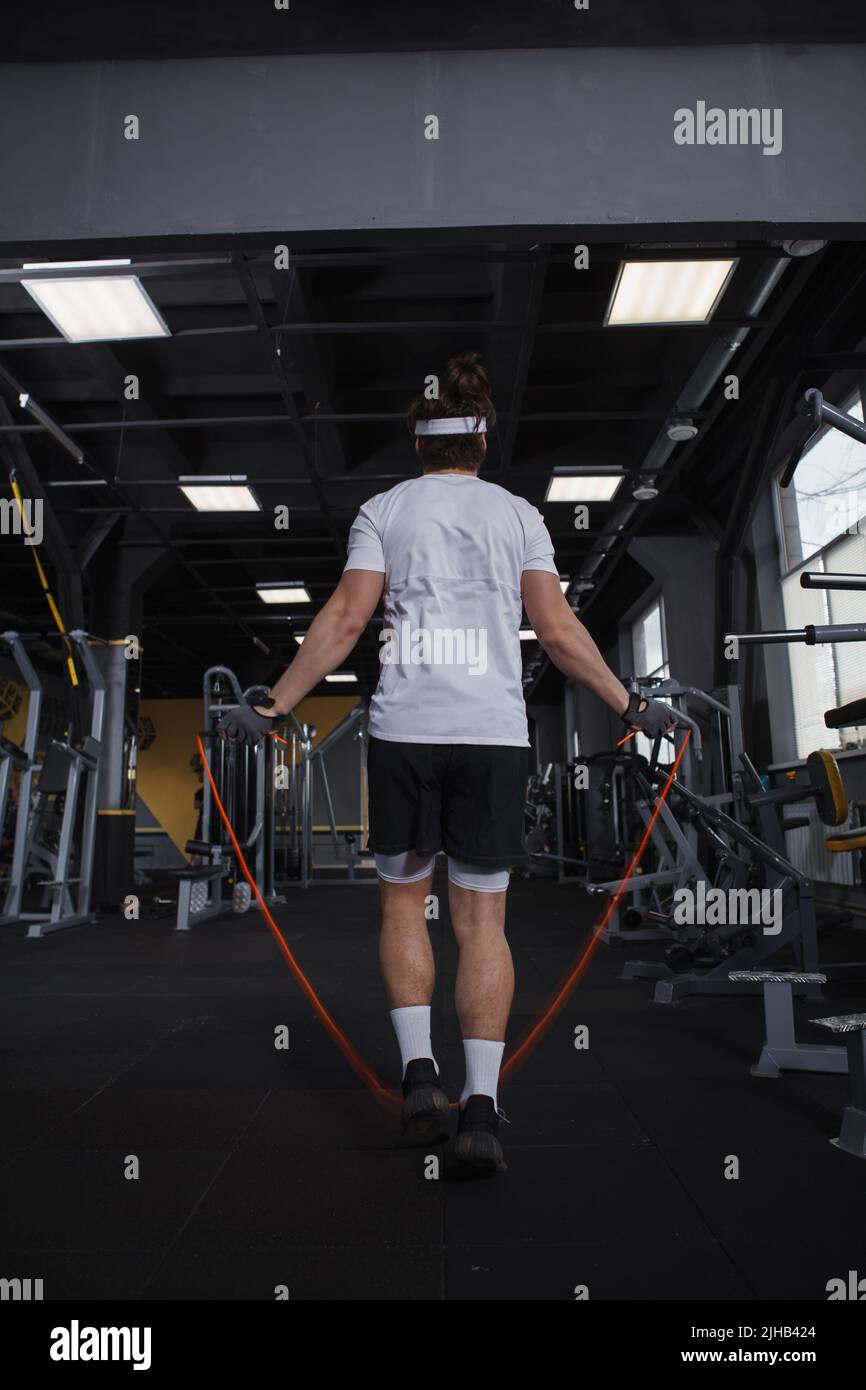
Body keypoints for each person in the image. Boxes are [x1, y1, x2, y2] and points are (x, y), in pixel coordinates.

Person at [218, 353, 675, 1177]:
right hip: (491, 737)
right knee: (482, 925)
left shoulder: (384, 509)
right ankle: (484, 1110)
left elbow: (347, 618)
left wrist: (274, 705)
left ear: (418, 441)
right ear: (482, 437)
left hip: (405, 735)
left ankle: (420, 1077)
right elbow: (561, 632)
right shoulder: (517, 516)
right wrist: (631, 705)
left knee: (403, 909)